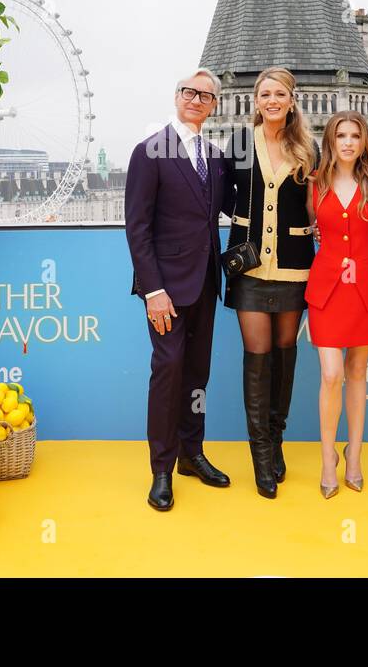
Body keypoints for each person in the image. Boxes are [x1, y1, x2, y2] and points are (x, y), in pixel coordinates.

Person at [125, 69, 232, 512]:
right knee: (168, 373)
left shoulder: (217, 157)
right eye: (190, 92)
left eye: (206, 95)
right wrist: (153, 291)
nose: (196, 99)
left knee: (197, 375)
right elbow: (138, 226)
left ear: (214, 105)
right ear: (176, 96)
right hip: (166, 290)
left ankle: (192, 453)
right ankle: (162, 469)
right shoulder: (149, 152)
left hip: (206, 284)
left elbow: (235, 207)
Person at [221, 67, 317, 499]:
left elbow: (315, 205)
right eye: (265, 94)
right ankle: (260, 454)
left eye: (279, 94)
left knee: (285, 355)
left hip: (295, 268)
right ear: (256, 101)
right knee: (256, 359)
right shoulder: (241, 143)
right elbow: (222, 195)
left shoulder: (308, 147)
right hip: (250, 270)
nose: (272, 101)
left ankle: (276, 439)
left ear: (292, 100)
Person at [304, 111, 368, 498]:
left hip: (366, 289)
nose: (349, 142)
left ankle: (354, 455)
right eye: (341, 136)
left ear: (364, 141)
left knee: (357, 372)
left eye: (356, 135)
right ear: (331, 142)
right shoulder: (313, 183)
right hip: (326, 290)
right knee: (331, 374)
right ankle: (327, 458)